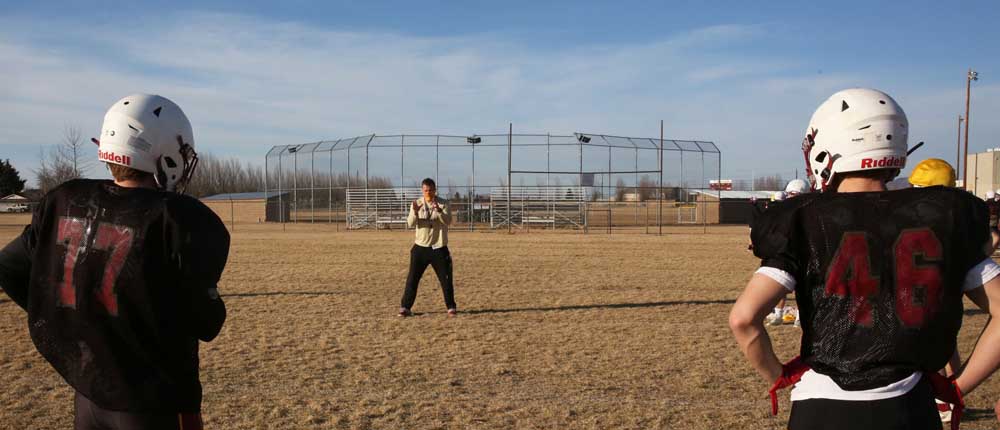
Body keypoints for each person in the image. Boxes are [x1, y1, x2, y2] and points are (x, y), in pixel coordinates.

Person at [730, 88, 1000, 430]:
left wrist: (780, 376)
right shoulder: (942, 215)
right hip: (910, 405)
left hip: (822, 406)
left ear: (827, 149)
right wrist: (957, 386)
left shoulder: (805, 219)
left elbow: (743, 319)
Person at [0, 94, 228, 430]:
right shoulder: (179, 217)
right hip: (153, 403)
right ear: (165, 156)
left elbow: (9, 268)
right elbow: (207, 323)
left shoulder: (64, 199)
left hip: (89, 395)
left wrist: (70, 316)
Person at [399, 178, 456, 317]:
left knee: (446, 280)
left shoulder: (443, 203)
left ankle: (451, 307)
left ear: (435, 190)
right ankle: (405, 307)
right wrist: (415, 212)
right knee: (412, 278)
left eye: (430, 190)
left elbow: (448, 221)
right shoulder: (417, 204)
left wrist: (439, 211)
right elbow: (410, 223)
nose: (428, 192)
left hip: (439, 247)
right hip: (420, 248)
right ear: (422, 190)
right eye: (425, 190)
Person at [764, 181, 810, 327]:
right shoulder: (809, 210)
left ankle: (790, 315)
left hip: (790, 255)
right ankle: (790, 315)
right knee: (795, 288)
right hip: (794, 254)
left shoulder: (786, 211)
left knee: (790, 287)